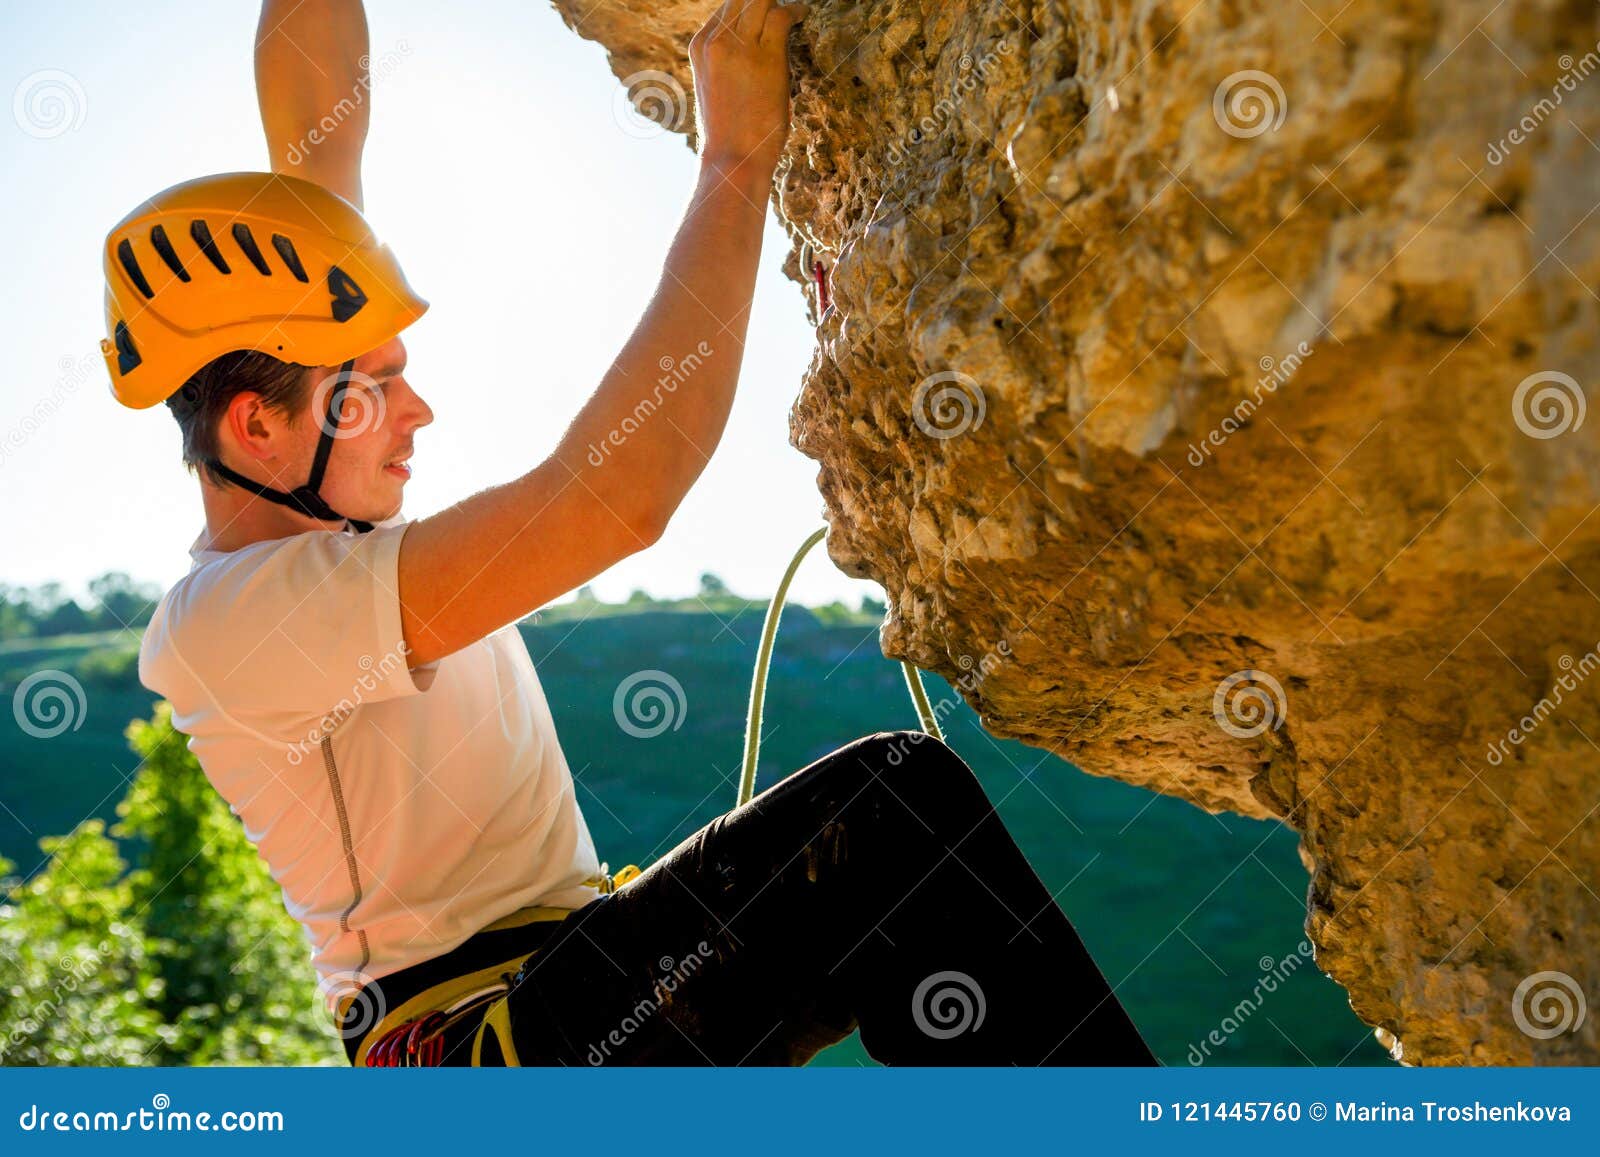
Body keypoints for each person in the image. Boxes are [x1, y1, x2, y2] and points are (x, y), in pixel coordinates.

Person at [107, 0, 1156, 1066]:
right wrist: (737, 159)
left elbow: (318, 145)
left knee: (892, 845)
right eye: (373, 388)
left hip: (549, 1003)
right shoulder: (234, 620)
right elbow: (615, 500)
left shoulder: (315, 509)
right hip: (491, 1043)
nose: (417, 411)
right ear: (256, 426)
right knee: (886, 821)